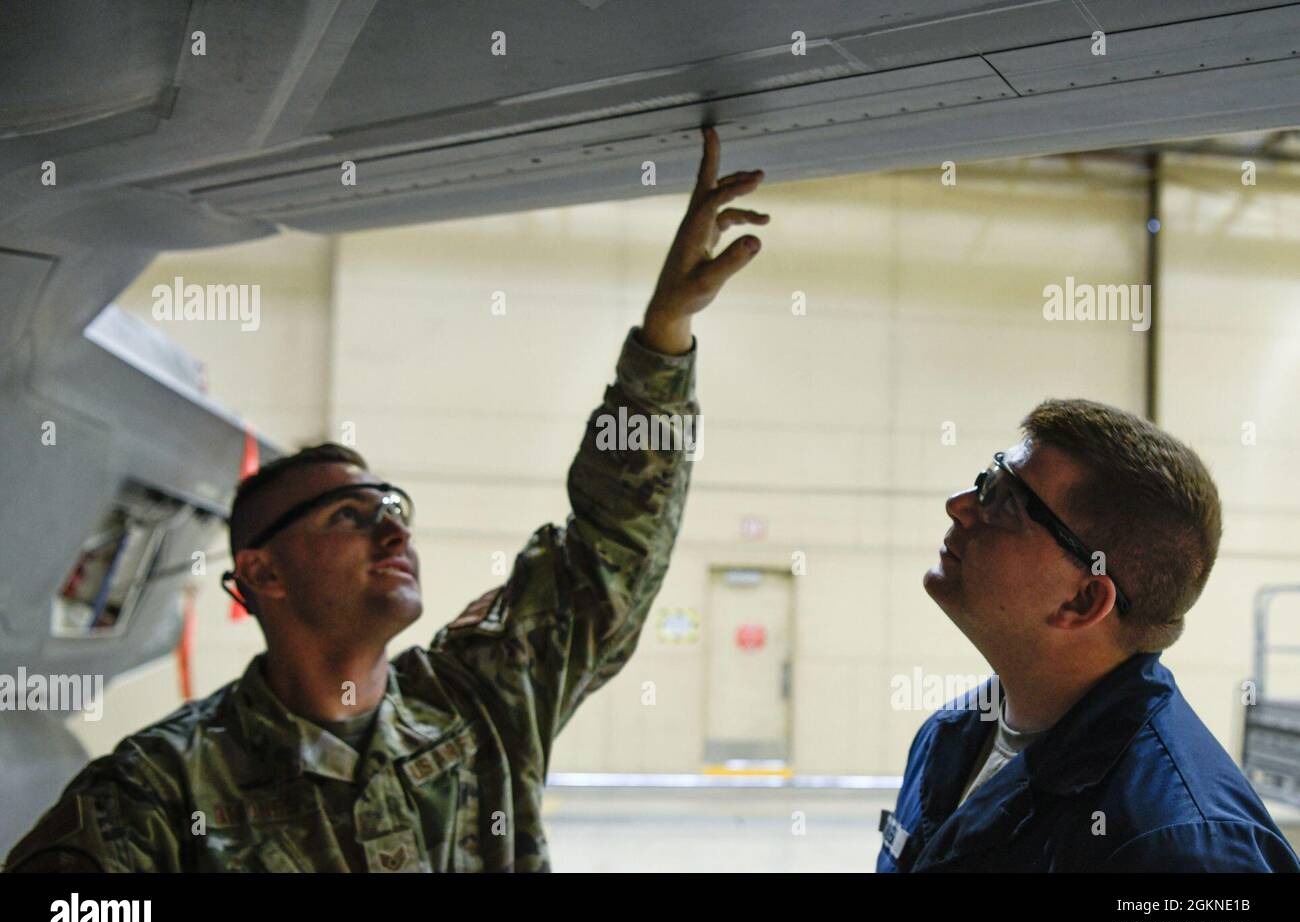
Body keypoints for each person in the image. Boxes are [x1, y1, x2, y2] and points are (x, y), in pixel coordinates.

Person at [5, 127, 769, 873]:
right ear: (264, 572)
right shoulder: (161, 794)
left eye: (393, 509)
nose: (392, 530)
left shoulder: (480, 705)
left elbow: (611, 546)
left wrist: (665, 333)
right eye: (349, 516)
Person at [878, 402, 1300, 872]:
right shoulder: (949, 737)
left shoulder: (1181, 847)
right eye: (988, 478)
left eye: (1006, 502)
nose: (959, 505)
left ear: (1081, 602)